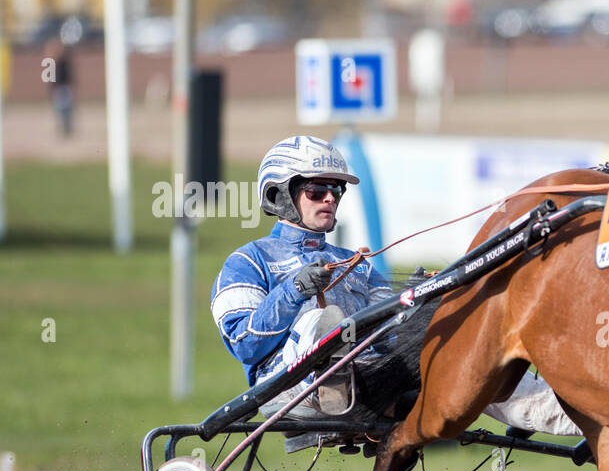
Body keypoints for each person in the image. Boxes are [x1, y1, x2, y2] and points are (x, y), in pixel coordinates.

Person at [210, 135, 580, 445]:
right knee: (325, 320)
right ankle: (334, 381)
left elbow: (384, 339)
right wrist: (292, 291)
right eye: (316, 189)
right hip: (290, 388)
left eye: (335, 190)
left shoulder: (353, 261)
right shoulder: (248, 260)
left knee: (467, 341)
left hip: (371, 378)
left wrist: (419, 304)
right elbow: (244, 343)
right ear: (280, 195)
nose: (330, 198)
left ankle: (586, 412)